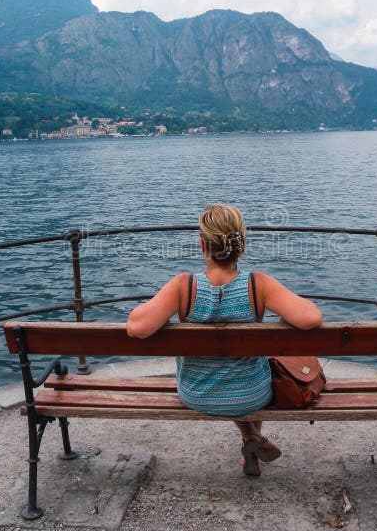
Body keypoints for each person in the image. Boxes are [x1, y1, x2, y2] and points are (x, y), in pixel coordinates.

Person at [126, 204, 322, 476]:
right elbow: (311, 317)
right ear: (241, 245)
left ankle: (251, 438)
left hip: (197, 394)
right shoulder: (258, 285)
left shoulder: (184, 286)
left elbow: (136, 327)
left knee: (229, 374)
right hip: (252, 395)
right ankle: (251, 437)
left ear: (202, 245)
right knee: (252, 372)